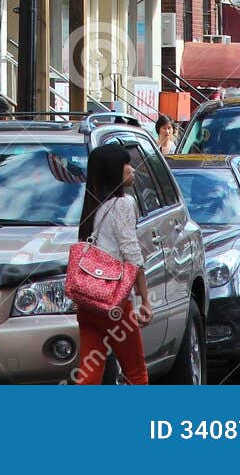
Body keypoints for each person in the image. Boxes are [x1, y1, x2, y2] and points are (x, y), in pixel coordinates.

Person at [74, 143, 152, 386]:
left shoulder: (91, 206)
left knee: (90, 372)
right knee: (136, 372)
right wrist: (145, 299)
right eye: (126, 164)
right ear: (113, 170)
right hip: (115, 302)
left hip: (87, 302)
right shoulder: (123, 204)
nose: (132, 170)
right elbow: (131, 252)